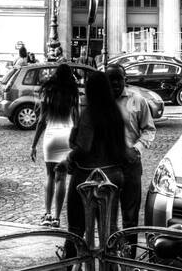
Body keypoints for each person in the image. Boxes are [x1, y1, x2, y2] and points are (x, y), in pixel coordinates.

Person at [64, 71, 131, 255]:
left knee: (76, 227)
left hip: (89, 175)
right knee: (108, 227)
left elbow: (83, 147)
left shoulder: (90, 112)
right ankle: (110, 264)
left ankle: (71, 261)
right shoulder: (115, 112)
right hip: (113, 175)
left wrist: (69, 158)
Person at [106, 65, 156, 235]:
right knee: (107, 217)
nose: (114, 83)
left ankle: (129, 258)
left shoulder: (138, 100)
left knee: (130, 217)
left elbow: (149, 129)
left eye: (118, 79)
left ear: (124, 79)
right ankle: (110, 258)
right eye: (110, 79)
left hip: (130, 165)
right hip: (106, 167)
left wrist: (136, 149)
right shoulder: (99, 103)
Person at [31, 63, 79, 227]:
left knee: (50, 175)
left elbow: (41, 121)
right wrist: (77, 141)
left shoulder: (48, 93)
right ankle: (57, 217)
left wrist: (34, 144)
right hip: (67, 136)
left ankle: (47, 214)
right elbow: (77, 119)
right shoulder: (73, 93)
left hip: (51, 137)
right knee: (62, 178)